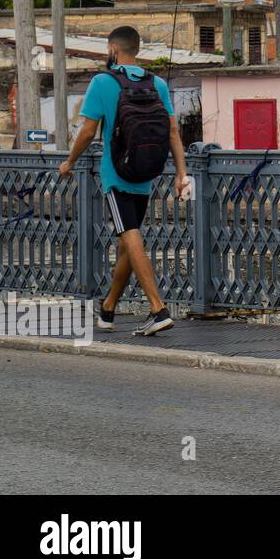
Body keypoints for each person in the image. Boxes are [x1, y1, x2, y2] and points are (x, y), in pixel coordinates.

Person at [58, 26, 190, 336]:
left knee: (130, 238)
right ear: (137, 49)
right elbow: (172, 132)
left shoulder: (102, 82)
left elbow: (88, 132)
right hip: (146, 172)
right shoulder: (156, 83)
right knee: (126, 244)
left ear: (112, 49)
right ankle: (108, 309)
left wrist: (69, 161)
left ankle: (158, 309)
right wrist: (181, 173)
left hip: (116, 176)